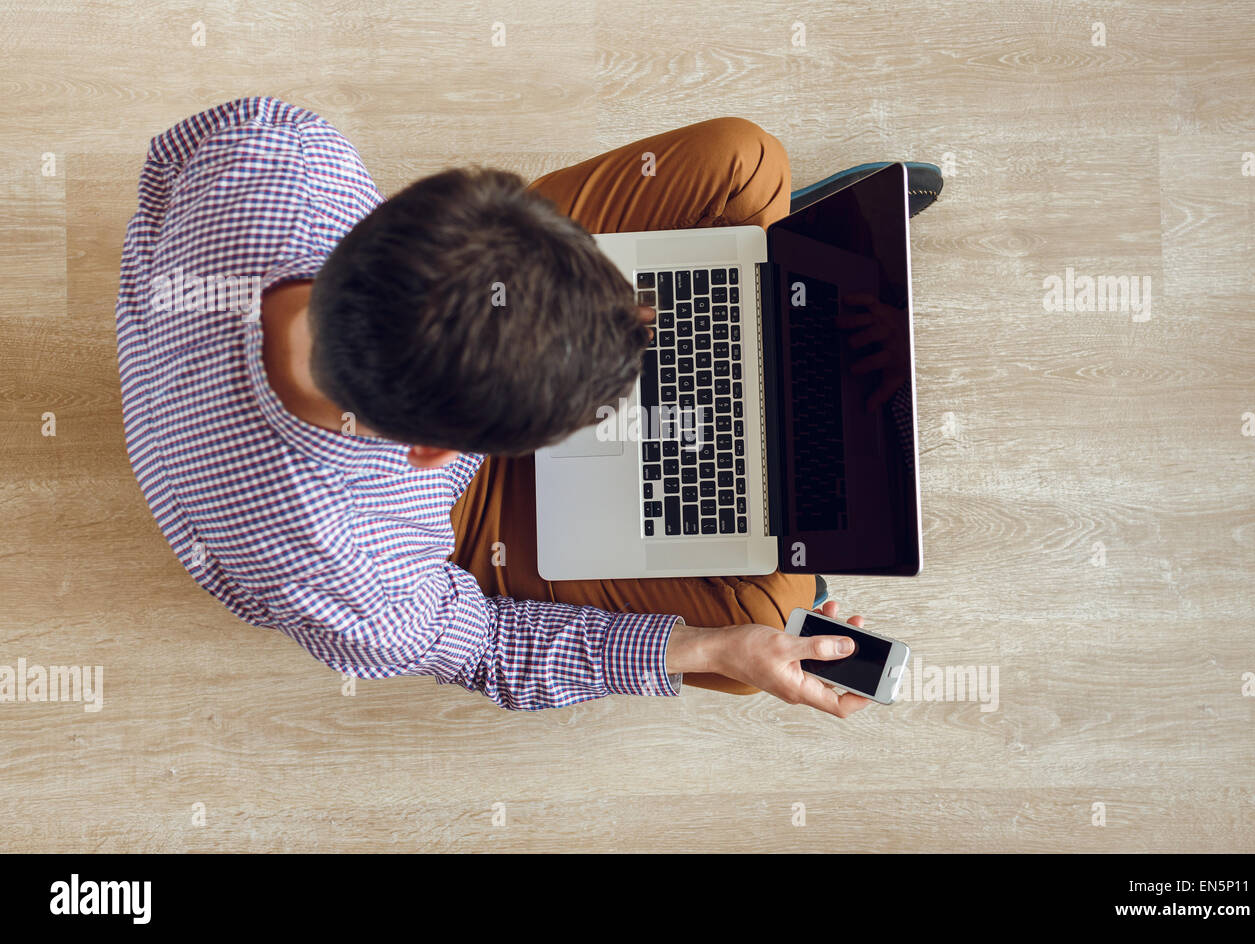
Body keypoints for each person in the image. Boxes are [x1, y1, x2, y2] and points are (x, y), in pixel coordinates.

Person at [115, 97, 871, 717]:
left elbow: (170, 165)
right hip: (429, 519)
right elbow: (489, 648)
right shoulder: (357, 578)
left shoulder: (279, 157)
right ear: (440, 453)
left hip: (398, 350)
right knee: (763, 629)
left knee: (741, 156)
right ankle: (777, 279)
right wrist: (713, 649)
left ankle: (757, 287)